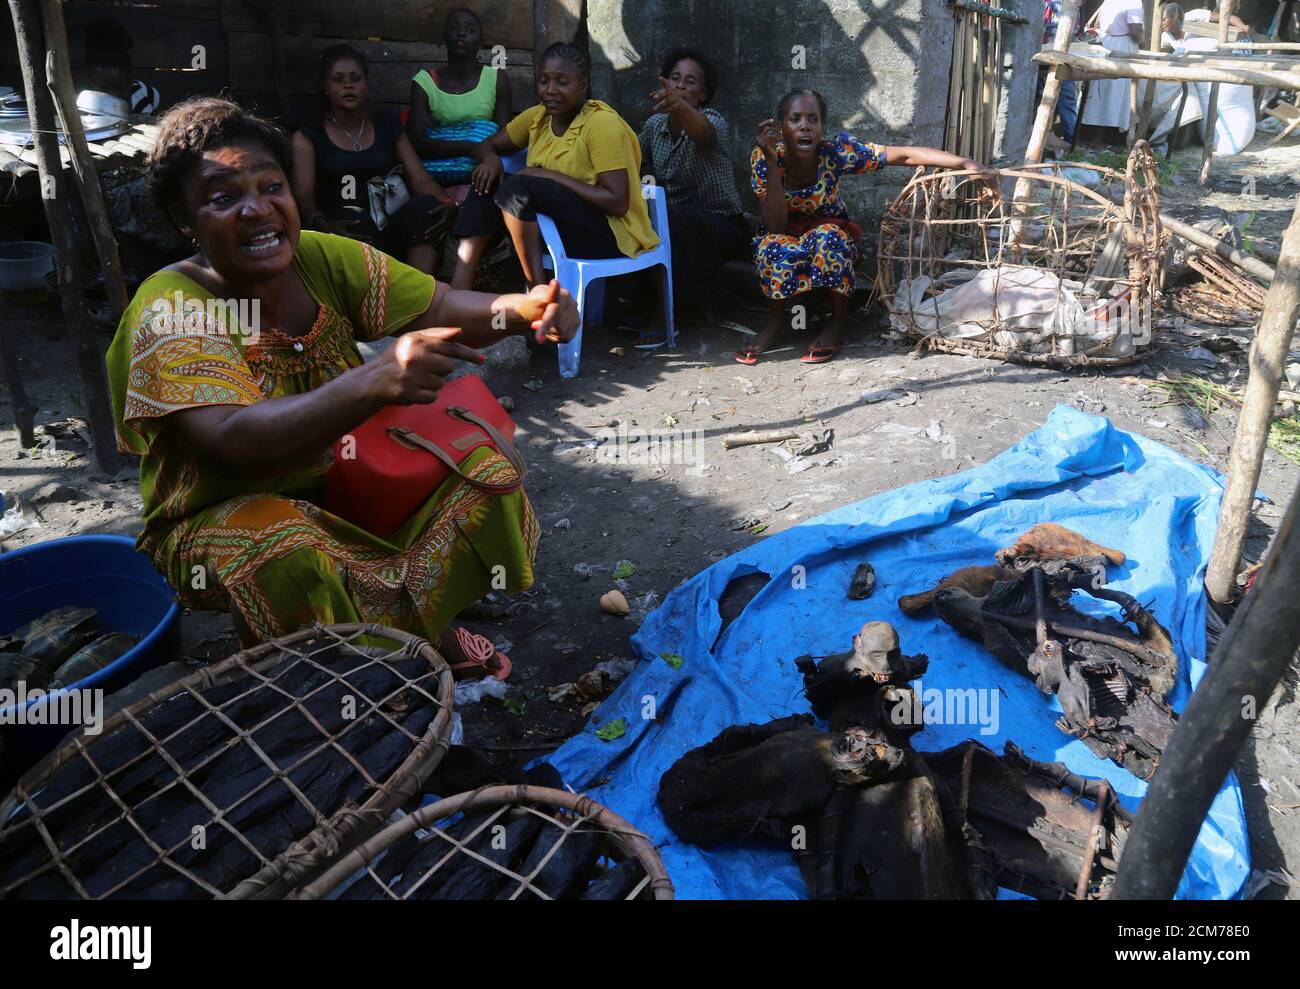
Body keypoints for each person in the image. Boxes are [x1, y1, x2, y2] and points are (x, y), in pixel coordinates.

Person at [105, 97, 579, 678]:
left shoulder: (319, 258)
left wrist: (526, 309)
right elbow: (229, 439)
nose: (258, 209)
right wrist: (372, 380)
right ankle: (314, 678)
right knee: (284, 545)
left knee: (480, 467)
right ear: (185, 220)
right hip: (217, 516)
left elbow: (441, 304)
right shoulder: (171, 308)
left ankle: (424, 625)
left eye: (271, 186)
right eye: (223, 198)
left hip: (340, 476)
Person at [739, 89, 988, 365]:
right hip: (784, 233)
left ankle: (837, 323)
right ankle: (778, 321)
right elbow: (775, 225)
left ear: (822, 126)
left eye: (813, 119)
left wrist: (965, 162)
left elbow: (904, 156)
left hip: (827, 236)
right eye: (795, 119)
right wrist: (772, 162)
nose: (804, 125)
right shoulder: (764, 157)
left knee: (829, 237)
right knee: (771, 244)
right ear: (780, 127)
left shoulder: (835, 153)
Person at [452, 42, 660, 316]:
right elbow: (486, 144)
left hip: (609, 234)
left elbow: (617, 202)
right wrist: (491, 159)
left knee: (517, 188)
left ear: (583, 85)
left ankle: (538, 295)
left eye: (562, 82)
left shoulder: (601, 124)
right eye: (543, 81)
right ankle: (459, 290)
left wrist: (548, 175)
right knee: (488, 179)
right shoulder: (537, 118)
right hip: (553, 228)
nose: (550, 90)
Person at [292, 44, 456, 274]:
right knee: (352, 218)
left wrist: (447, 203)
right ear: (325, 87)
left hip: (391, 221)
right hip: (348, 229)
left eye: (355, 78)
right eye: (338, 79)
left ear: (365, 83)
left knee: (427, 208)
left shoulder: (386, 123)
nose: (348, 85)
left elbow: (419, 177)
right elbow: (302, 194)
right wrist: (321, 224)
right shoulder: (309, 135)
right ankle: (379, 292)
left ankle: (421, 289)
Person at [638, 48, 749, 320]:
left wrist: (680, 106)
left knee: (668, 218)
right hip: (675, 223)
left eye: (690, 82)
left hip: (723, 224)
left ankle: (666, 314)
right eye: (675, 79)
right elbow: (631, 158)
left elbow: (705, 136)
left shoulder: (713, 121)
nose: (680, 86)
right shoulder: (654, 126)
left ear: (703, 93)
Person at [1079, 0, 1146, 141]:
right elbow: (1135, 30)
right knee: (1113, 94)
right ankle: (1099, 140)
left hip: (1107, 42)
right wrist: (1142, 39)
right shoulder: (1133, 2)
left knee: (1103, 91)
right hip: (1122, 46)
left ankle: (1089, 136)